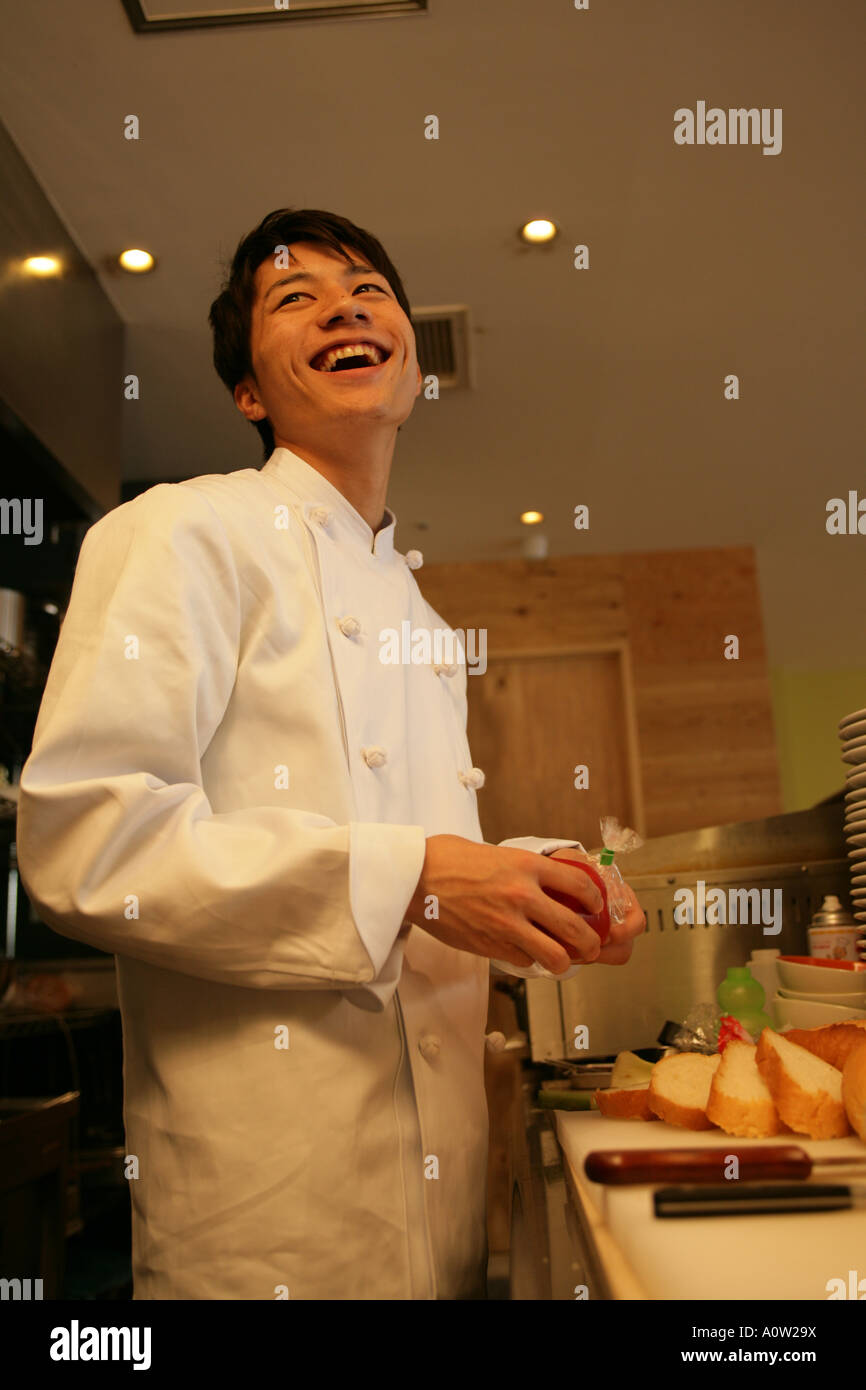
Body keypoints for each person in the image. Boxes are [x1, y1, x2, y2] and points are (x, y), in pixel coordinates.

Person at [16, 208, 646, 1300]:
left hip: (442, 1196)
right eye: (292, 295)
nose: (344, 303)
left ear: (409, 358)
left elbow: (422, 860)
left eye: (367, 287)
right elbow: (89, 843)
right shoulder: (178, 533)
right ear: (246, 393)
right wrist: (413, 877)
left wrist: (539, 881)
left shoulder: (421, 619)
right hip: (270, 1219)